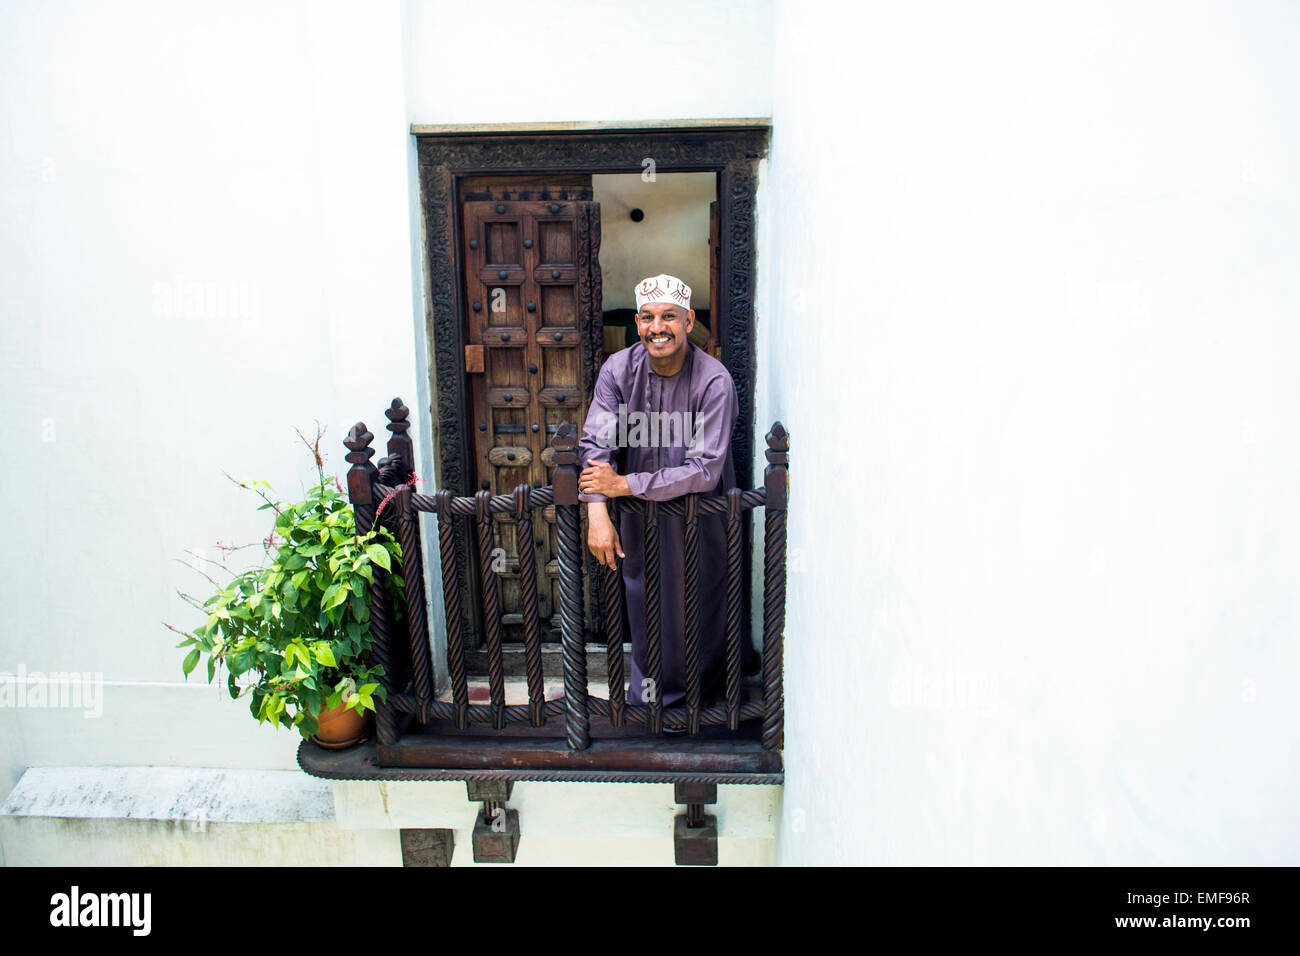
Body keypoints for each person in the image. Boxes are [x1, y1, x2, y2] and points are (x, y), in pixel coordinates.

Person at [577, 273, 753, 731]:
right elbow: (595, 444)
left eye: (669, 317)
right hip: (636, 517)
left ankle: (698, 702)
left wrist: (624, 486)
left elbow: (704, 469)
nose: (659, 327)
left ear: (688, 321)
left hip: (699, 517)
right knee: (643, 600)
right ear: (638, 323)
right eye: (649, 317)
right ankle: (650, 700)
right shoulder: (618, 370)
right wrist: (598, 509)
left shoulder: (714, 381)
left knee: (698, 600)